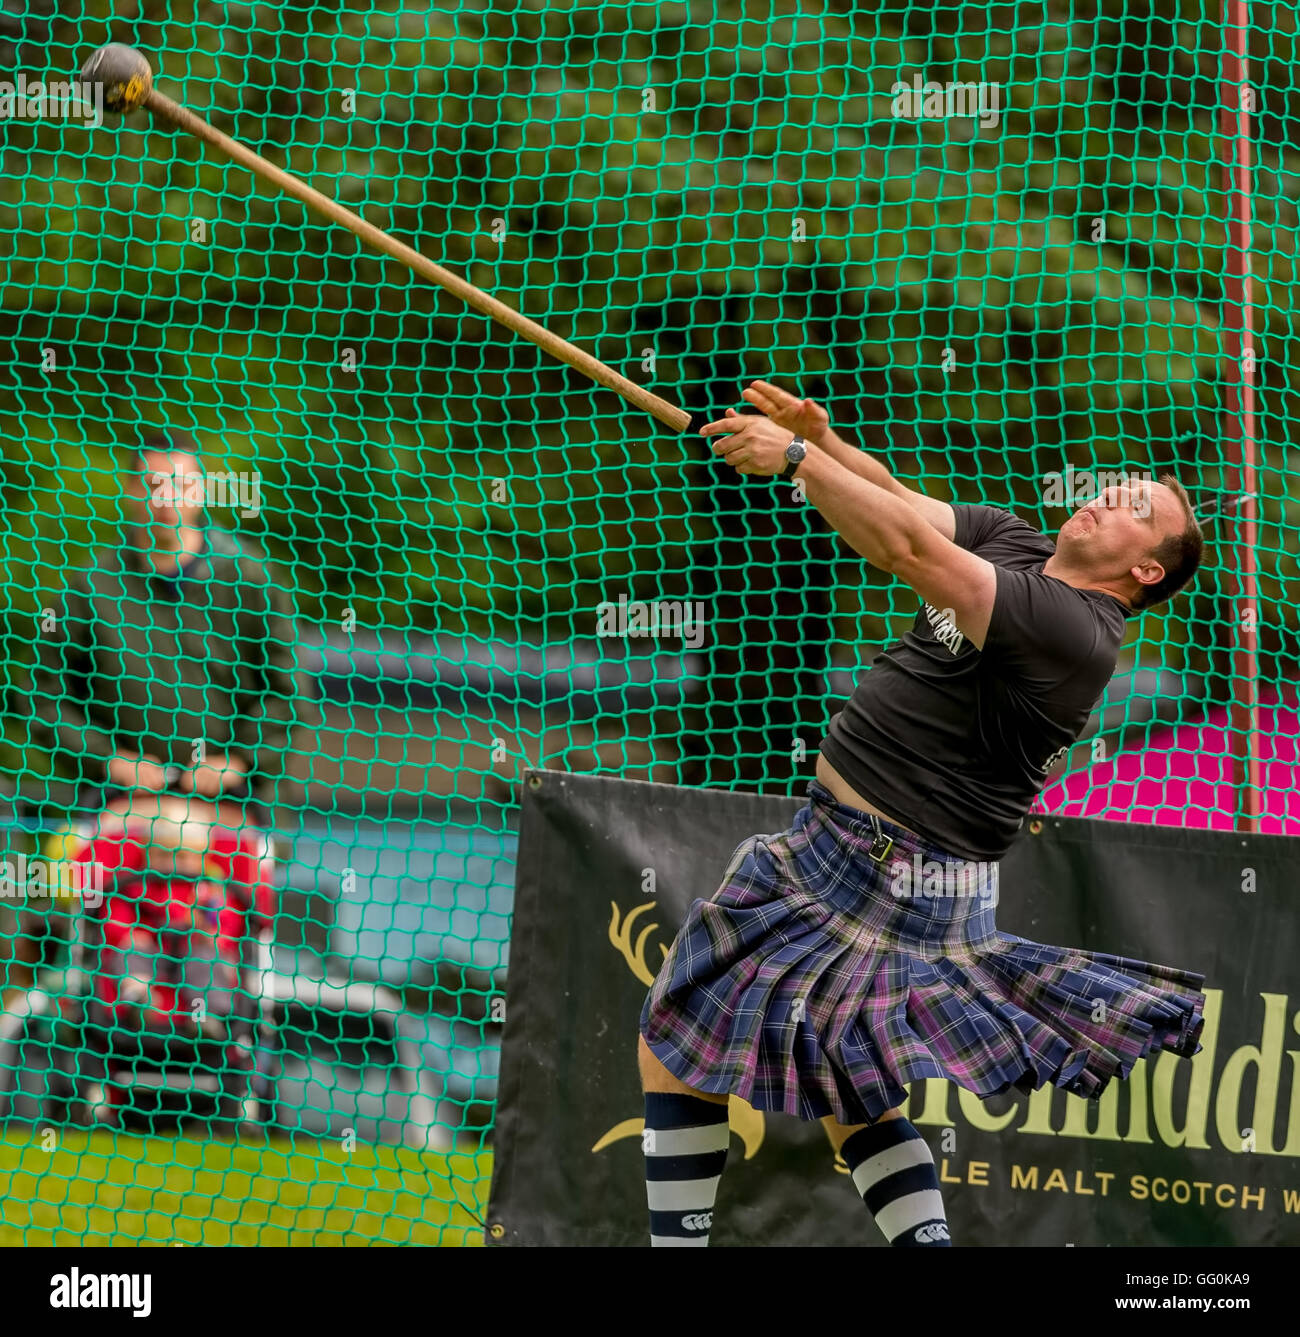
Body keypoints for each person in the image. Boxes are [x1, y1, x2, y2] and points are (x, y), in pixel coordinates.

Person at [636, 381, 1207, 1247]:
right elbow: (902, 502)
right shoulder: (1017, 547)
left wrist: (793, 460)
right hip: (855, 850)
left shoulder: (1072, 627)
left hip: (881, 869)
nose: (1104, 496)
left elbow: (902, 548)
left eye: (1133, 507)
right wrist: (822, 440)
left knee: (679, 1039)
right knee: (841, 1089)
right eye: (1114, 484)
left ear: (1146, 571)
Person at [5, 432, 300, 1004]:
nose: (169, 498)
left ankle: (227, 1022)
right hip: (115, 815)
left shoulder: (251, 579)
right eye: (156, 484)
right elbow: (40, 696)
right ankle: (104, 1024)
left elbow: (288, 694)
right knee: (80, 901)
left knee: (242, 914)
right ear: (133, 491)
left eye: (183, 483)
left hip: (227, 817)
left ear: (203, 490)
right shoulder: (90, 587)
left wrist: (238, 761)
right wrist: (110, 761)